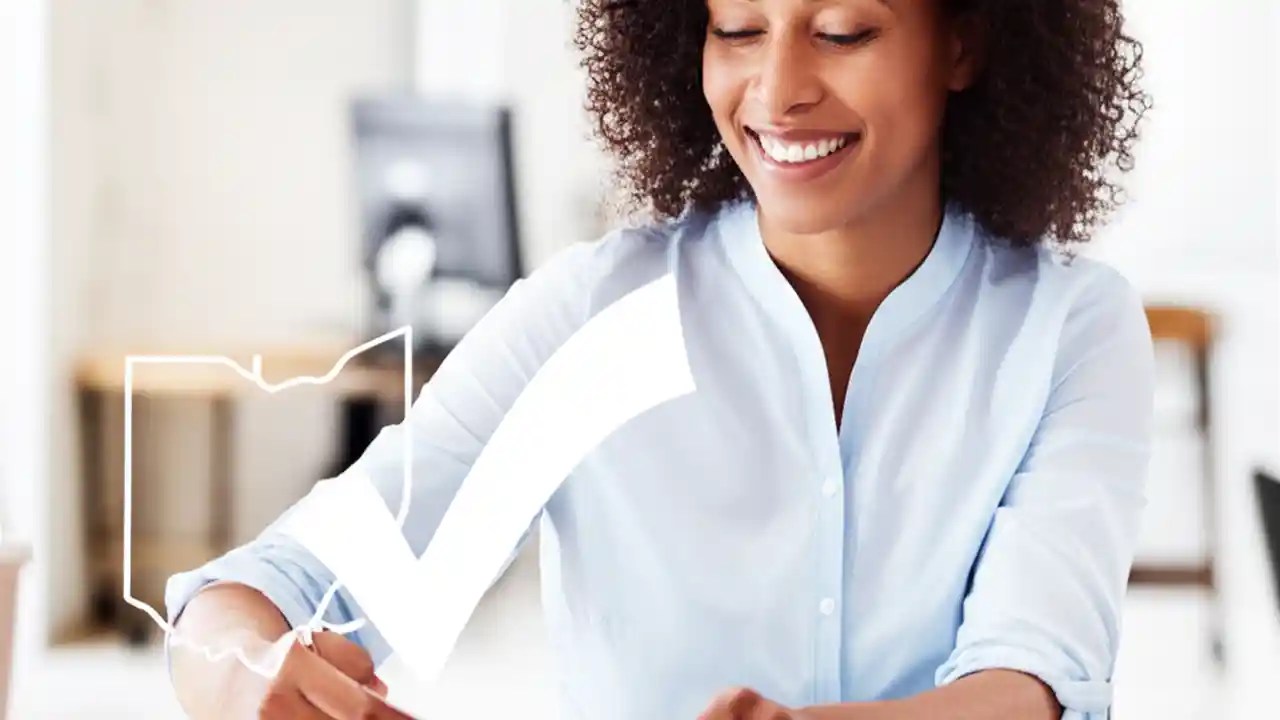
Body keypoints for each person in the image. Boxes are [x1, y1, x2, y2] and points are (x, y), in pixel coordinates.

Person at [167, 0, 1154, 718]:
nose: (778, 92)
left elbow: (1031, 686)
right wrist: (239, 670)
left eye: (843, 32)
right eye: (738, 29)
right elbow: (277, 585)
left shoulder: (1064, 326)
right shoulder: (593, 317)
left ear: (964, 41)